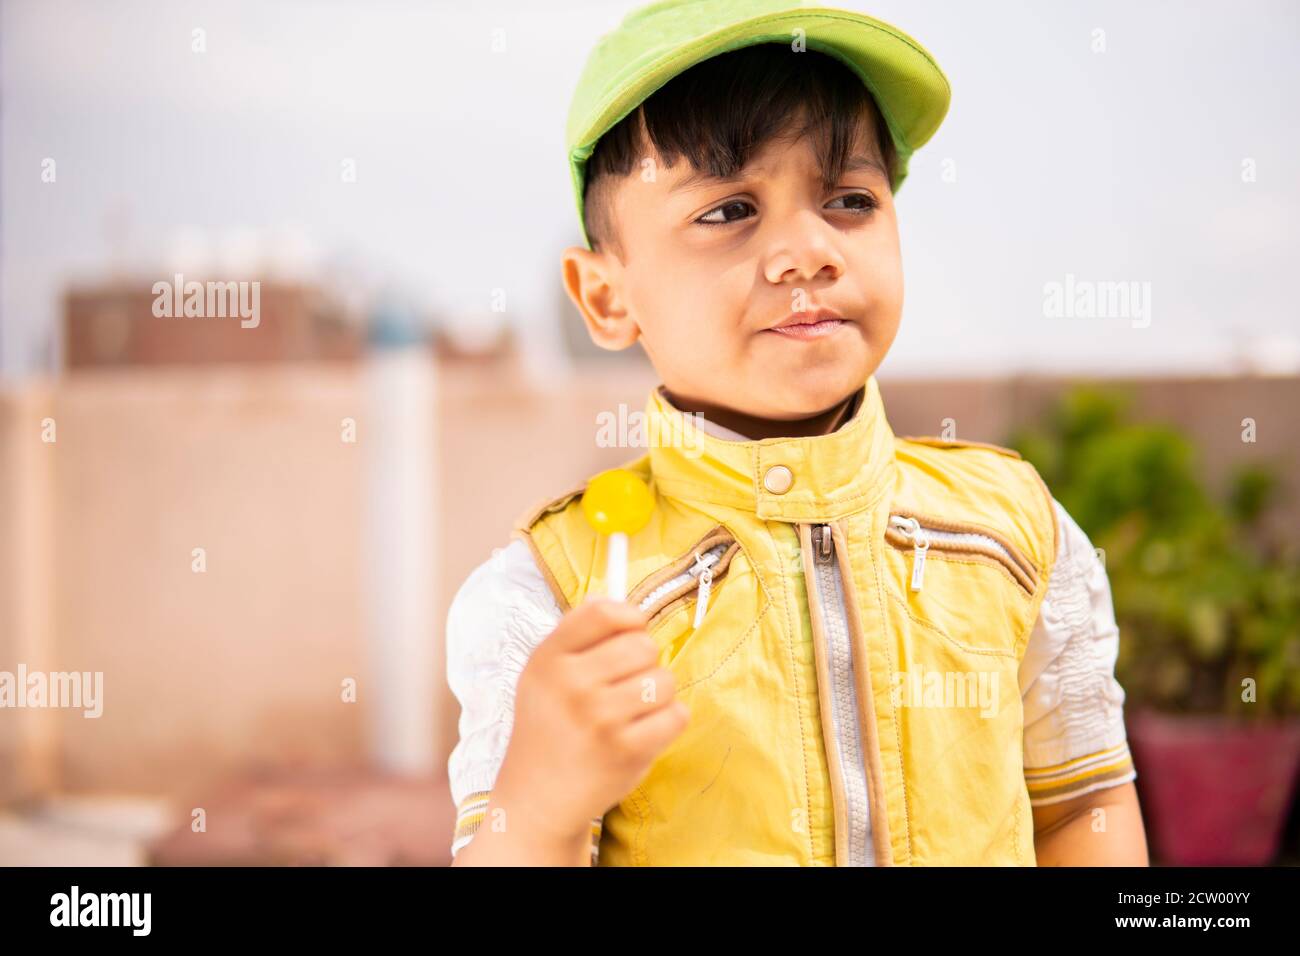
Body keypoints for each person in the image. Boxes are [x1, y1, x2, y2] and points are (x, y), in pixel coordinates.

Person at [446, 0, 1148, 866]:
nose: (806, 251)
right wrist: (540, 803)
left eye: (850, 198)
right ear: (604, 296)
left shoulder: (1017, 531)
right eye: (729, 209)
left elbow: (1084, 807)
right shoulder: (554, 596)